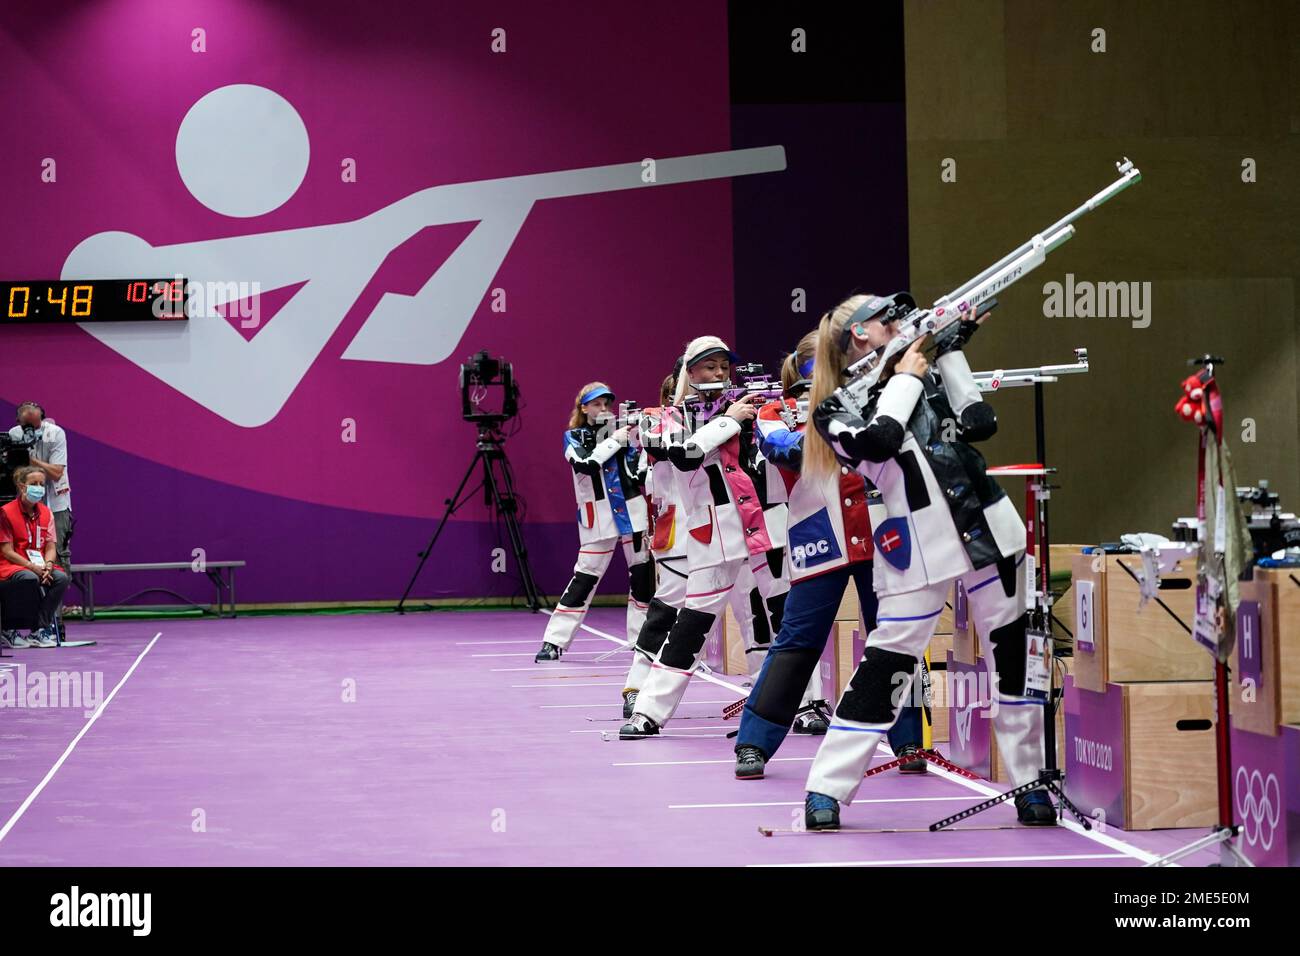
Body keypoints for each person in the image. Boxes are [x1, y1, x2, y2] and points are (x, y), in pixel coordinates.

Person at [799, 293, 1054, 829]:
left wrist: (950, 349)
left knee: (1014, 658)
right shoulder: (834, 408)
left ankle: (1030, 782)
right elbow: (879, 441)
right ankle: (826, 788)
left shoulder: (926, 371)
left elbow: (980, 422)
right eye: (886, 319)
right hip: (914, 547)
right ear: (860, 336)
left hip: (988, 529)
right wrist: (909, 375)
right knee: (886, 666)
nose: (899, 324)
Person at [733, 332, 925, 780]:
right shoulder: (776, 410)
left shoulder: (874, 401)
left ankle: (909, 738)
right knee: (797, 643)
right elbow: (781, 448)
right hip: (820, 533)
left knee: (894, 637)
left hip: (882, 531)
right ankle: (753, 742)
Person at [619, 336, 790, 739]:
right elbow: (684, 454)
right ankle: (648, 712)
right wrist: (730, 418)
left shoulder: (755, 409)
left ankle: (807, 703)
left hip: (765, 530)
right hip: (712, 535)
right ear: (689, 372)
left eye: (723, 368)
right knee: (689, 628)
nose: (718, 374)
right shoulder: (662, 418)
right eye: (709, 367)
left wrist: (771, 416)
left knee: (785, 619)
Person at [535, 383, 653, 662]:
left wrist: (642, 446)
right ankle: (554, 641)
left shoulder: (626, 436)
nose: (603, 409)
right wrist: (616, 441)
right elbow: (584, 464)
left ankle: (641, 640)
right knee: (584, 578)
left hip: (633, 515)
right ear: (583, 408)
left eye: (607, 404)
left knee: (642, 580)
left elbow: (640, 475)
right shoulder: (573, 436)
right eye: (597, 404)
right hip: (597, 519)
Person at [10, 402, 74, 610]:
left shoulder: (55, 433)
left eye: (35, 424)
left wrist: (30, 460)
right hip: (23, 507)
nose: (30, 428)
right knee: (20, 555)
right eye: (26, 424)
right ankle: (25, 615)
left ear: (42, 419)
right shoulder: (13, 434)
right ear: (19, 421)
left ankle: (54, 618)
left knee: (57, 557)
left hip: (55, 505)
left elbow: (56, 473)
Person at [0, 466, 71, 648]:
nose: (38, 488)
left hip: (38, 564)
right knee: (28, 578)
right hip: (11, 564)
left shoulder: (46, 513)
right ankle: (8, 629)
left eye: (41, 484)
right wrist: (33, 568)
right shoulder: (6, 512)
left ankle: (39, 629)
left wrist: (48, 565)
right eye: (34, 484)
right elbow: (7, 551)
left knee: (61, 578)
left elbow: (50, 546)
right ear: (22, 486)